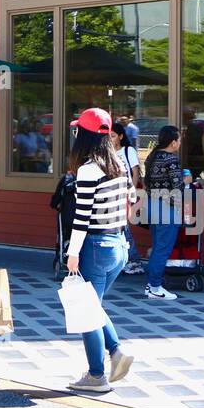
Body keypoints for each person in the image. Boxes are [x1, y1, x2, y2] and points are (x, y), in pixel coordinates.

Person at [63, 108, 135, 393]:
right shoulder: (120, 164)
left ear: (84, 135)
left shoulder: (88, 170)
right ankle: (115, 353)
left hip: (94, 246)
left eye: (78, 130)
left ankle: (97, 374)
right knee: (93, 306)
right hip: (119, 245)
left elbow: (82, 217)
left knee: (86, 312)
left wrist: (72, 252)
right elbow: (129, 202)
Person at [142, 124, 183, 301]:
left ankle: (152, 284)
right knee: (162, 249)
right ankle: (154, 287)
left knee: (157, 247)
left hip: (152, 205)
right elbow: (178, 187)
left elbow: (147, 184)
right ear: (173, 142)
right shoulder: (171, 160)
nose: (180, 142)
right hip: (166, 208)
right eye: (179, 139)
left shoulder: (152, 157)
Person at [110, 120, 145, 275]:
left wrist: (132, 193)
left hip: (126, 194)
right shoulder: (109, 153)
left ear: (121, 136)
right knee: (119, 226)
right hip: (113, 194)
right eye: (108, 136)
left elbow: (135, 171)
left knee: (123, 226)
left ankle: (134, 260)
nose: (110, 139)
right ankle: (125, 259)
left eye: (113, 136)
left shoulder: (128, 150)